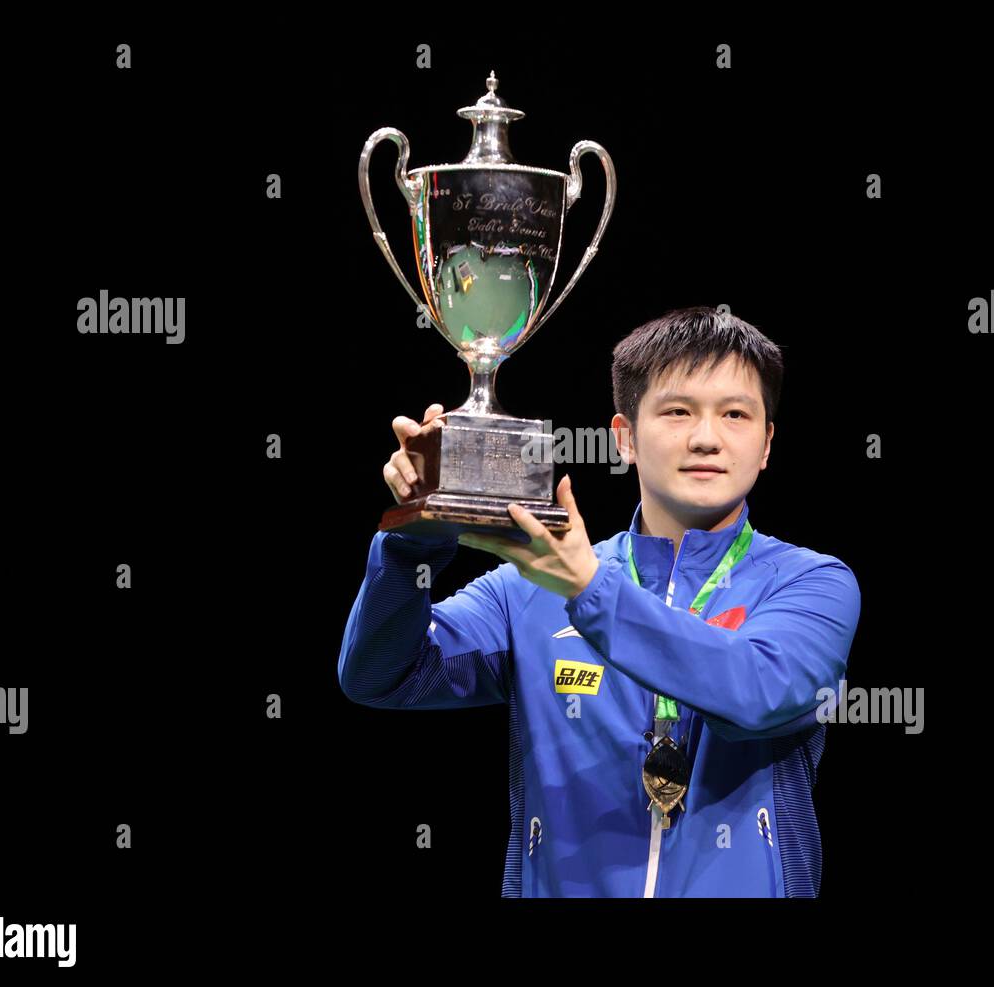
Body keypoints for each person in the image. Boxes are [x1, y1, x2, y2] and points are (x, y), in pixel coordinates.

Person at [338, 306, 861, 897]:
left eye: (735, 414)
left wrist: (590, 588)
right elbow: (384, 676)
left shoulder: (811, 582)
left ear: (766, 443)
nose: (706, 437)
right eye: (677, 411)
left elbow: (759, 692)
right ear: (624, 438)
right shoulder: (529, 585)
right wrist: (415, 540)